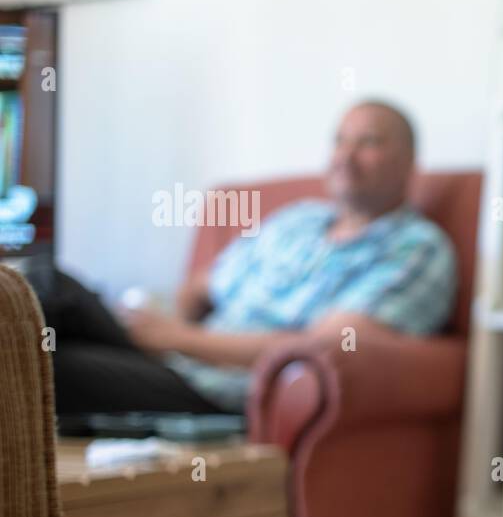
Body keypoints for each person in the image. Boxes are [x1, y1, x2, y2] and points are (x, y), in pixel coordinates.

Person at [32, 100, 456, 416]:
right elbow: (202, 287)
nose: (345, 156)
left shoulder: (416, 248)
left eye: (369, 143)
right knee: (49, 285)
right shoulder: (298, 221)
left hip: (223, 392)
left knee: (50, 366)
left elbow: (317, 347)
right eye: (340, 140)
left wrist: (174, 338)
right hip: (173, 357)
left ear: (409, 163)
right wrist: (163, 324)